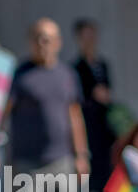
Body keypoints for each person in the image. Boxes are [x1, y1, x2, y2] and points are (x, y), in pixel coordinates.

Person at [6, 18, 89, 176]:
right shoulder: (19, 75)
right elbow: (3, 113)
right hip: (26, 164)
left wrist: (81, 156)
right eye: (37, 38)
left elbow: (75, 116)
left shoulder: (68, 75)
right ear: (30, 42)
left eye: (47, 39)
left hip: (61, 162)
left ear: (58, 42)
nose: (42, 43)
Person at [74, 19, 114, 192]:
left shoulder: (102, 65)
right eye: (86, 36)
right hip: (87, 126)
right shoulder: (76, 68)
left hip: (104, 128)